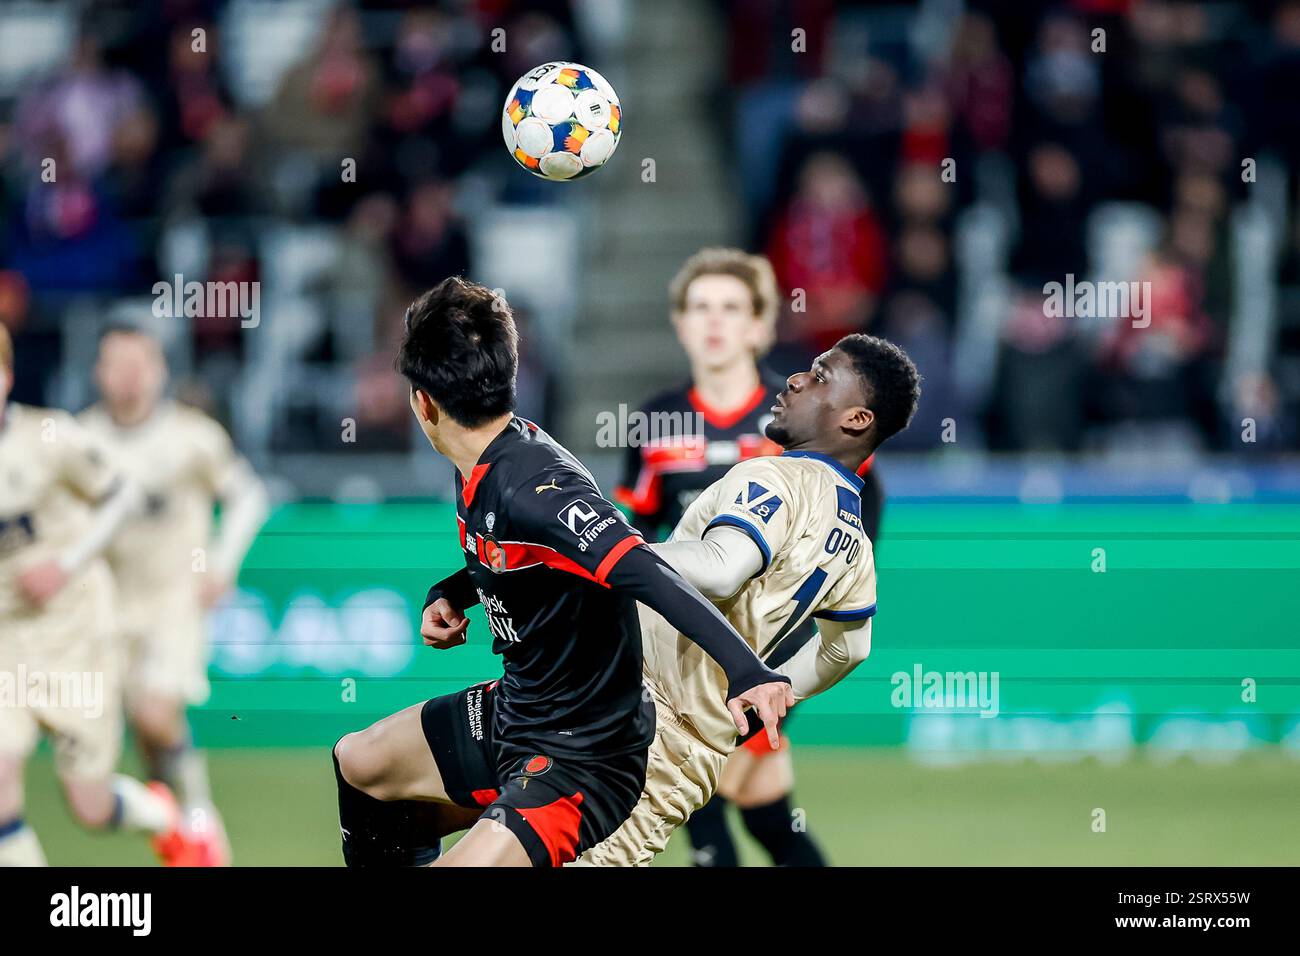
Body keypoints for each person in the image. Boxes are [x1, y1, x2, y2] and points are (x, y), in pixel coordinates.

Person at [331, 277, 793, 867]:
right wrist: (451, 592)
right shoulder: (479, 452)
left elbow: (643, 570)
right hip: (518, 712)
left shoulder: (536, 486)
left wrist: (747, 671)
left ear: (423, 401)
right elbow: (520, 560)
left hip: (587, 756)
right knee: (360, 763)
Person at [576, 333, 919, 866]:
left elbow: (720, 568)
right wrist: (763, 703)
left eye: (821, 376)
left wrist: (597, 550)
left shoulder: (774, 477)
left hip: (641, 728)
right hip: (693, 750)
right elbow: (848, 650)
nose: (797, 379)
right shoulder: (853, 541)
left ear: (855, 420)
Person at [616, 248, 882, 867]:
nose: (714, 322)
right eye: (700, 307)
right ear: (679, 323)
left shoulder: (801, 418)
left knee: (740, 815)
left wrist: (782, 666)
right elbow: (636, 534)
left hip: (764, 656)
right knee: (749, 818)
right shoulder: (657, 419)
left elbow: (851, 541)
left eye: (732, 308)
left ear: (761, 325)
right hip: (679, 653)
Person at [0, 324, 193, 866]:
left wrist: (64, 565)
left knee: (88, 805)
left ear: (8, 377)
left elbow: (121, 496)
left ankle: (166, 818)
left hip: (73, 633)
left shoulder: (49, 436)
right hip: (6, 639)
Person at [79, 325, 269, 866]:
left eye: (140, 361)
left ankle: (200, 819)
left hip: (174, 602)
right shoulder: (80, 440)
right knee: (130, 744)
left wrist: (222, 561)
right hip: (107, 608)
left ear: (160, 369)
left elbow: (248, 495)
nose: (130, 375)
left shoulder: (191, 437)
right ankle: (182, 832)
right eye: (117, 363)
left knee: (155, 711)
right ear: (99, 373)